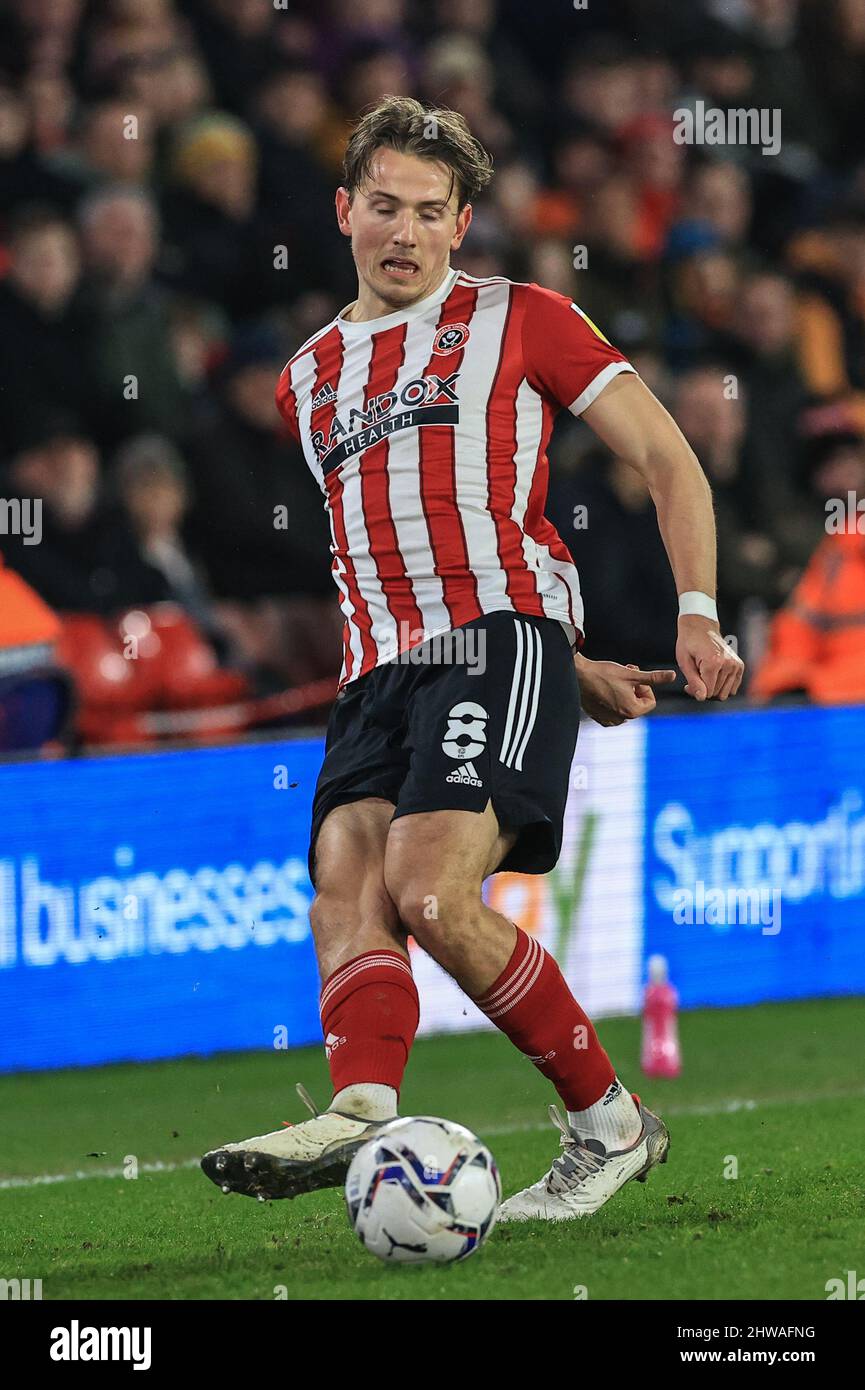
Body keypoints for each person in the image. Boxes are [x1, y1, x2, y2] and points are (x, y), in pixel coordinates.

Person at [201, 97, 743, 1221]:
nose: (403, 232)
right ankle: (360, 1107)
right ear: (346, 211)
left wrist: (692, 610)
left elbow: (667, 458)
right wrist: (573, 670)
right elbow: (390, 536)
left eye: (429, 213)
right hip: (373, 672)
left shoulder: (525, 317)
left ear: (461, 228)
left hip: (492, 638)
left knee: (429, 890)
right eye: (384, 207)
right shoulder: (302, 381)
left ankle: (610, 1124)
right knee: (342, 882)